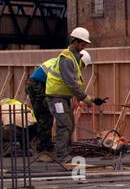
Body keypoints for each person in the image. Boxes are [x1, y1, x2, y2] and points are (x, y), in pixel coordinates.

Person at [44, 29, 103, 166]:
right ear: (75, 41)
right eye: (82, 44)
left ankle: (65, 152)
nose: (84, 47)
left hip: (63, 96)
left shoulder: (73, 60)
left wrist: (89, 98)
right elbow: (70, 83)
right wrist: (86, 98)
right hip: (56, 97)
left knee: (69, 124)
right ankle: (61, 155)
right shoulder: (66, 59)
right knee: (63, 124)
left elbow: (75, 84)